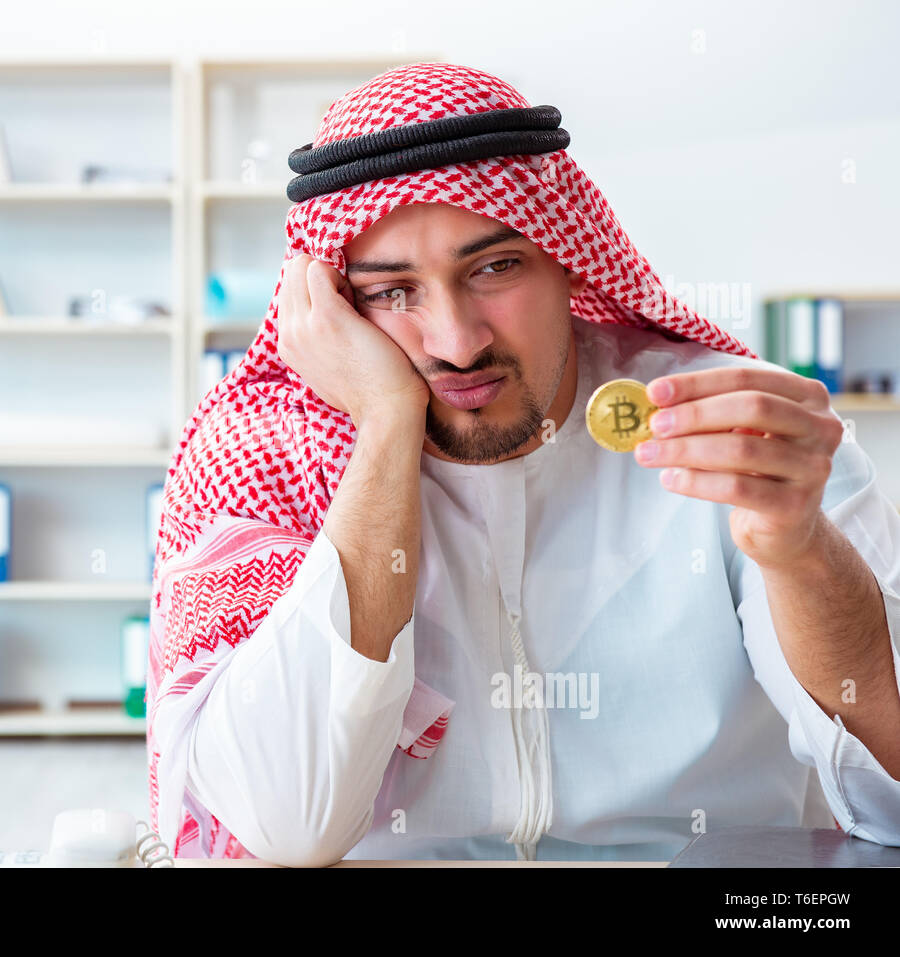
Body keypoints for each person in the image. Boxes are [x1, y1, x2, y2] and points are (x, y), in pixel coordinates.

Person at [144, 62, 900, 865]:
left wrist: (799, 550)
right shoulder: (268, 457)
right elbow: (286, 827)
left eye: (494, 268)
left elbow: (890, 794)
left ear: (568, 258)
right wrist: (387, 424)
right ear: (333, 305)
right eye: (393, 291)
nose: (457, 340)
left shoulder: (739, 429)